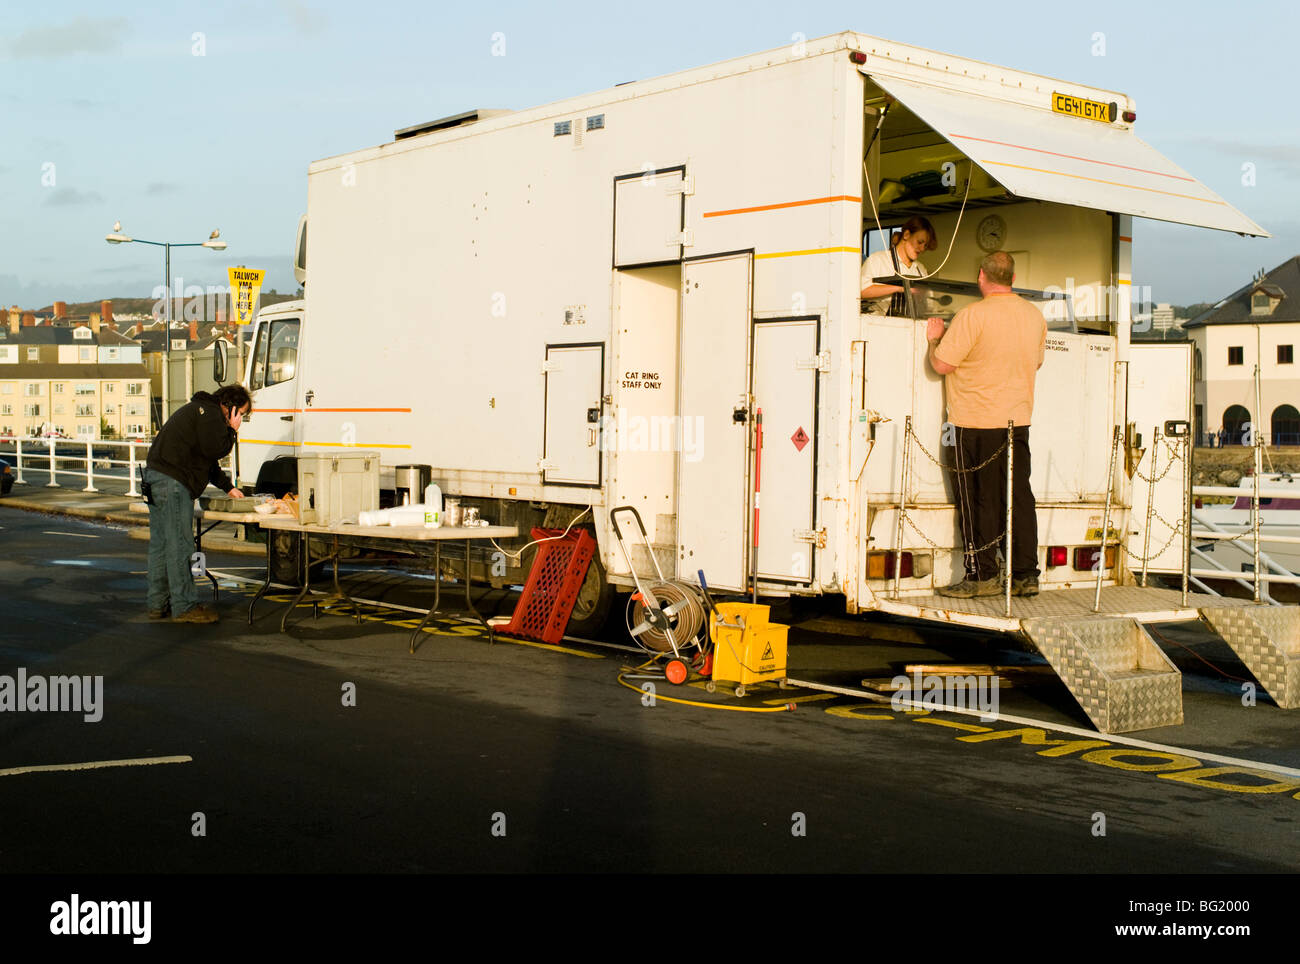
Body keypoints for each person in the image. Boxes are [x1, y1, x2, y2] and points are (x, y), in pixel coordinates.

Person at [926, 251, 1046, 598]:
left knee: (978, 499)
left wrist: (935, 338)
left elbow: (942, 365)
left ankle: (981, 575)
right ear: (1011, 277)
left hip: (972, 422)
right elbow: (1035, 362)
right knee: (1019, 498)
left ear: (982, 276)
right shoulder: (1033, 315)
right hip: (1017, 422)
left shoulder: (971, 316)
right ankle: (1025, 575)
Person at [143, 385, 252, 623]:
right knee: (180, 545)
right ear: (230, 408)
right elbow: (215, 449)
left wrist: (228, 487)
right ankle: (184, 606)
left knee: (161, 545)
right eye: (241, 413)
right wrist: (233, 432)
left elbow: (206, 459)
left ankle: (157, 603)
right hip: (173, 482)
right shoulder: (211, 414)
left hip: (156, 478)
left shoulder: (199, 410)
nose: (240, 419)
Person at [860, 216, 938, 315]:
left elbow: (929, 303)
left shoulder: (920, 269)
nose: (922, 248)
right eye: (920, 242)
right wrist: (900, 288)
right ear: (906, 235)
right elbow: (862, 291)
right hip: (880, 324)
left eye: (925, 245)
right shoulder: (878, 259)